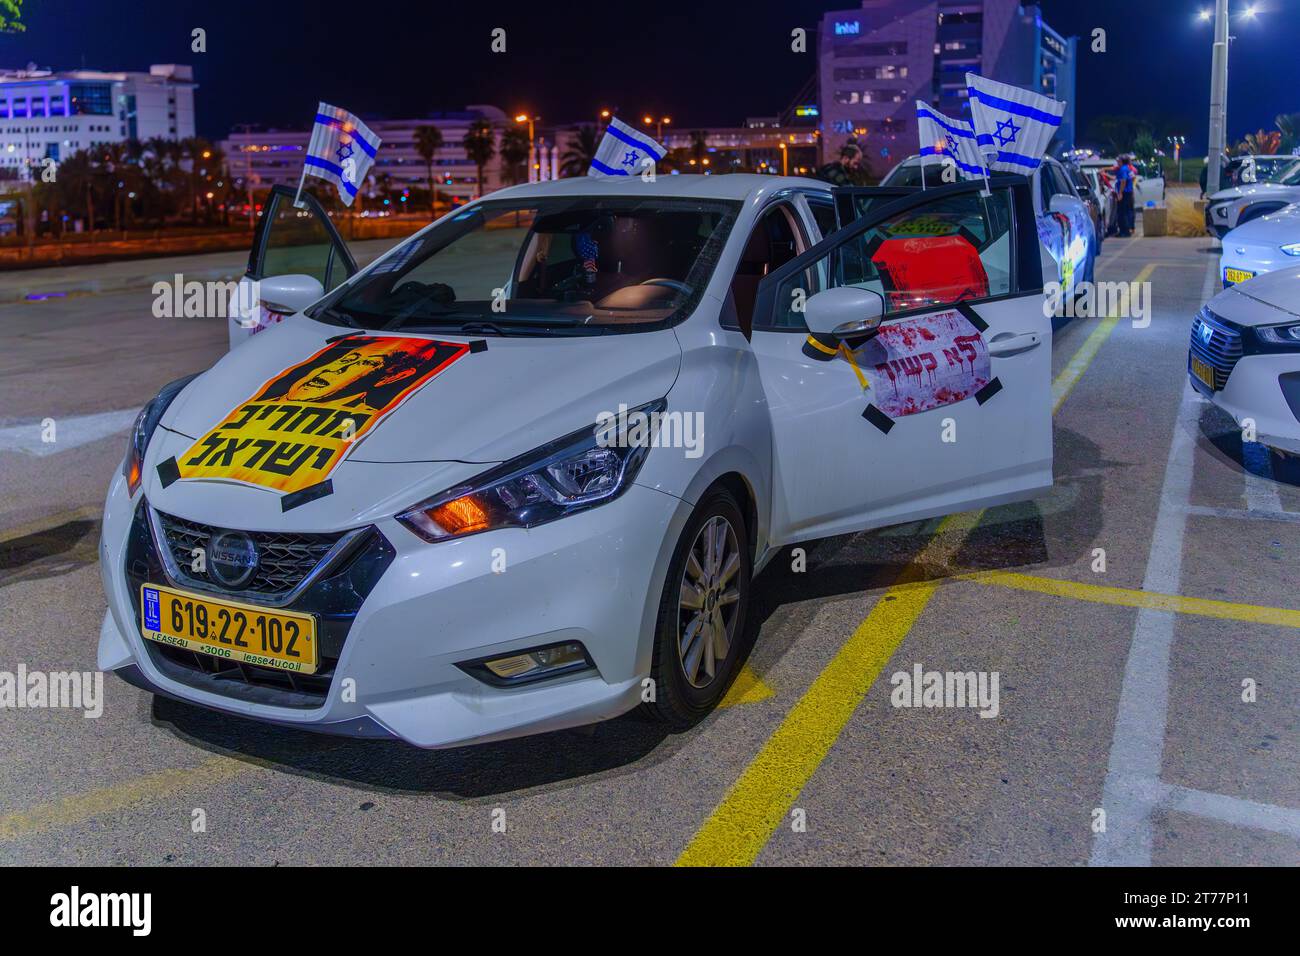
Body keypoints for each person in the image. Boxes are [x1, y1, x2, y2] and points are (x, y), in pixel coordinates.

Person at [1113, 153, 1137, 237]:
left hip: (1125, 193)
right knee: (1127, 211)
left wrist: (1120, 193)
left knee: (1122, 212)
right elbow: (1132, 178)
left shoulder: (1123, 169)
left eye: (1118, 161)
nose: (1117, 163)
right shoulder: (1127, 168)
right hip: (1128, 192)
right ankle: (1127, 229)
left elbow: (1123, 181)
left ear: (1122, 161)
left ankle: (1124, 231)